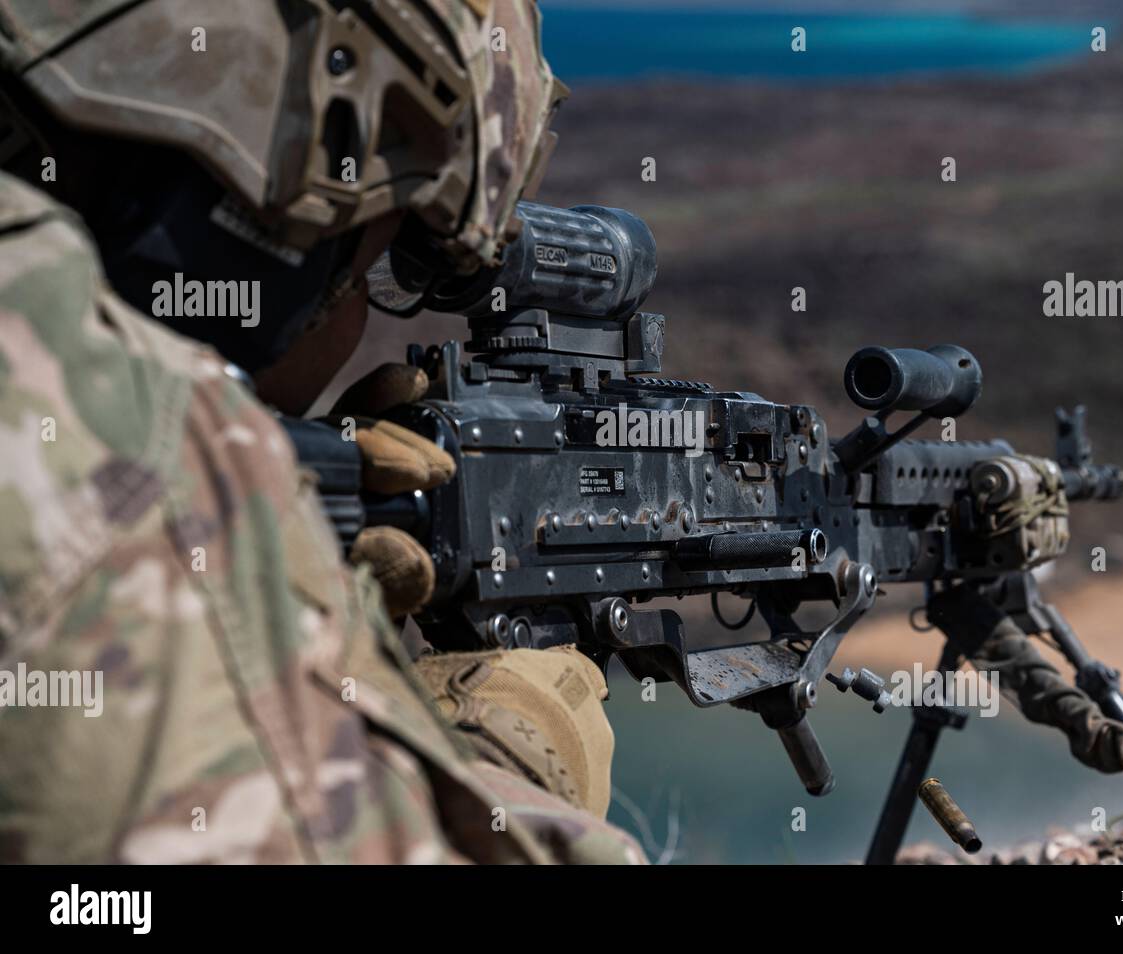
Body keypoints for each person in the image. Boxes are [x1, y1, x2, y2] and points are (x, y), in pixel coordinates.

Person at [0, 0, 643, 864]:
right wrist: (507, 746)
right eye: (377, 272)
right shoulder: (110, 485)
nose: (351, 330)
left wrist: (271, 558)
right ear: (268, 232)